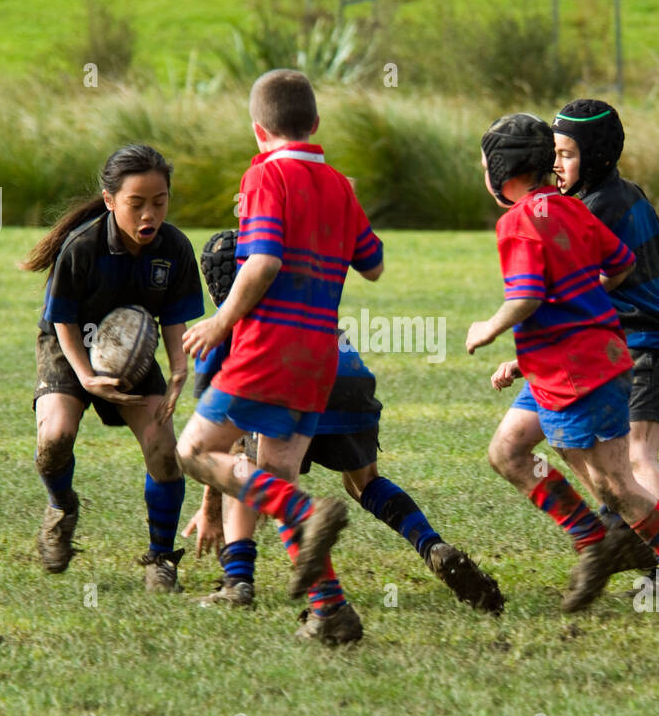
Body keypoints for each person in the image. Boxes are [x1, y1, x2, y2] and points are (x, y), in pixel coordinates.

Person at [466, 114, 659, 615]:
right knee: (509, 452)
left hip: (581, 371)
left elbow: (526, 296)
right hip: (557, 365)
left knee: (617, 486)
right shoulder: (572, 208)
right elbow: (621, 261)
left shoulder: (516, 223)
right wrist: (580, 302)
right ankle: (594, 543)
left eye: (483, 167)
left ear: (502, 171)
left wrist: (489, 327)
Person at [184, 230, 505, 615]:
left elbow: (215, 443)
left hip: (290, 385)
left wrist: (208, 506)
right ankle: (431, 545)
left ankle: (238, 583)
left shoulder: (226, 328)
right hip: (346, 378)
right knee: (364, 482)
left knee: (245, 468)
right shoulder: (296, 308)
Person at [177, 69, 383, 646]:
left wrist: (221, 320)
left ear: (257, 128)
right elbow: (372, 263)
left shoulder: (265, 174)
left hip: (267, 346)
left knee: (195, 449)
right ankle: (330, 613)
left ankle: (301, 514)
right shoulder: (341, 184)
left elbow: (262, 262)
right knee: (272, 473)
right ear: (315, 124)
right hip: (319, 353)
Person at [19, 144, 203, 593]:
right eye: (135, 203)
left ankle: (161, 559)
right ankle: (62, 508)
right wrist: (85, 377)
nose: (149, 214)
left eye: (159, 202)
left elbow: (174, 319)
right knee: (55, 438)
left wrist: (179, 370)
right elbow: (61, 320)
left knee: (164, 451)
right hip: (70, 348)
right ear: (109, 200)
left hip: (131, 351)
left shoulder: (174, 248)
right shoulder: (82, 246)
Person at [551, 100, 659, 534]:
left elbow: (585, 290)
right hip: (634, 342)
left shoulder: (591, 211)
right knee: (579, 441)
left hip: (652, 344)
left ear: (595, 156)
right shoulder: (630, 193)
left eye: (566, 155)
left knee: (638, 455)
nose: (555, 165)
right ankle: (629, 528)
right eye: (553, 154)